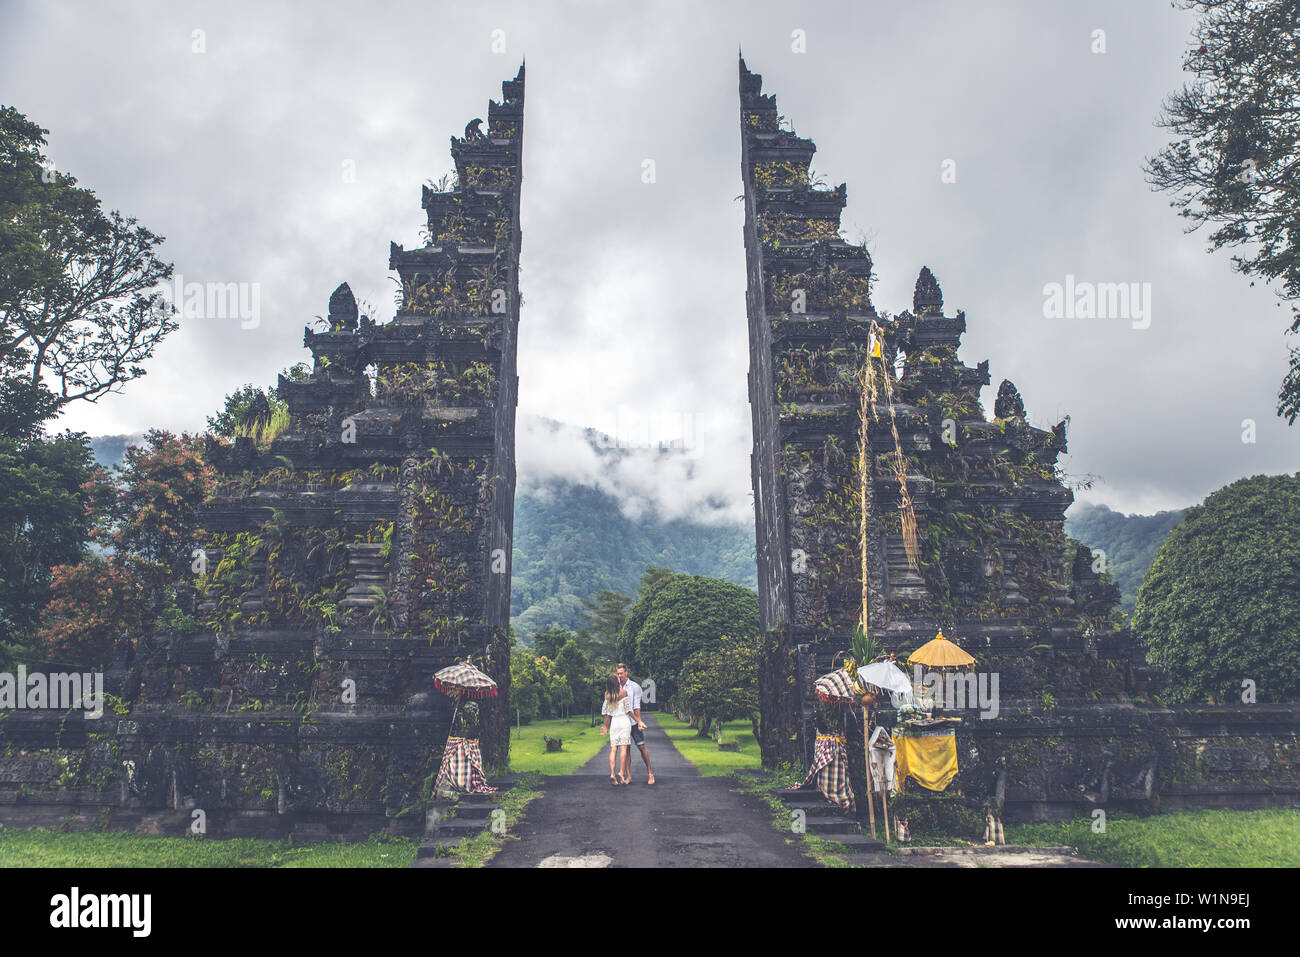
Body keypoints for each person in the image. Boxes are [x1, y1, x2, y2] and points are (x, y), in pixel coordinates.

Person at [617, 663, 655, 785]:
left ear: (626, 673)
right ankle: (628, 776)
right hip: (622, 723)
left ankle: (650, 773)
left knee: (641, 747)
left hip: (633, 722)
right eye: (618, 674)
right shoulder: (615, 687)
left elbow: (636, 707)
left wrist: (639, 722)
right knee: (626, 749)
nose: (620, 676)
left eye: (621, 673)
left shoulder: (635, 687)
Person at [600, 674, 632, 785]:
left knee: (613, 749)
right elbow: (628, 710)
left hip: (614, 723)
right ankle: (621, 772)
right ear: (617, 682)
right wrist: (638, 720)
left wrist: (605, 727)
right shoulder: (623, 693)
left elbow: (607, 714)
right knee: (623, 748)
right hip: (624, 722)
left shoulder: (607, 695)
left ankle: (612, 773)